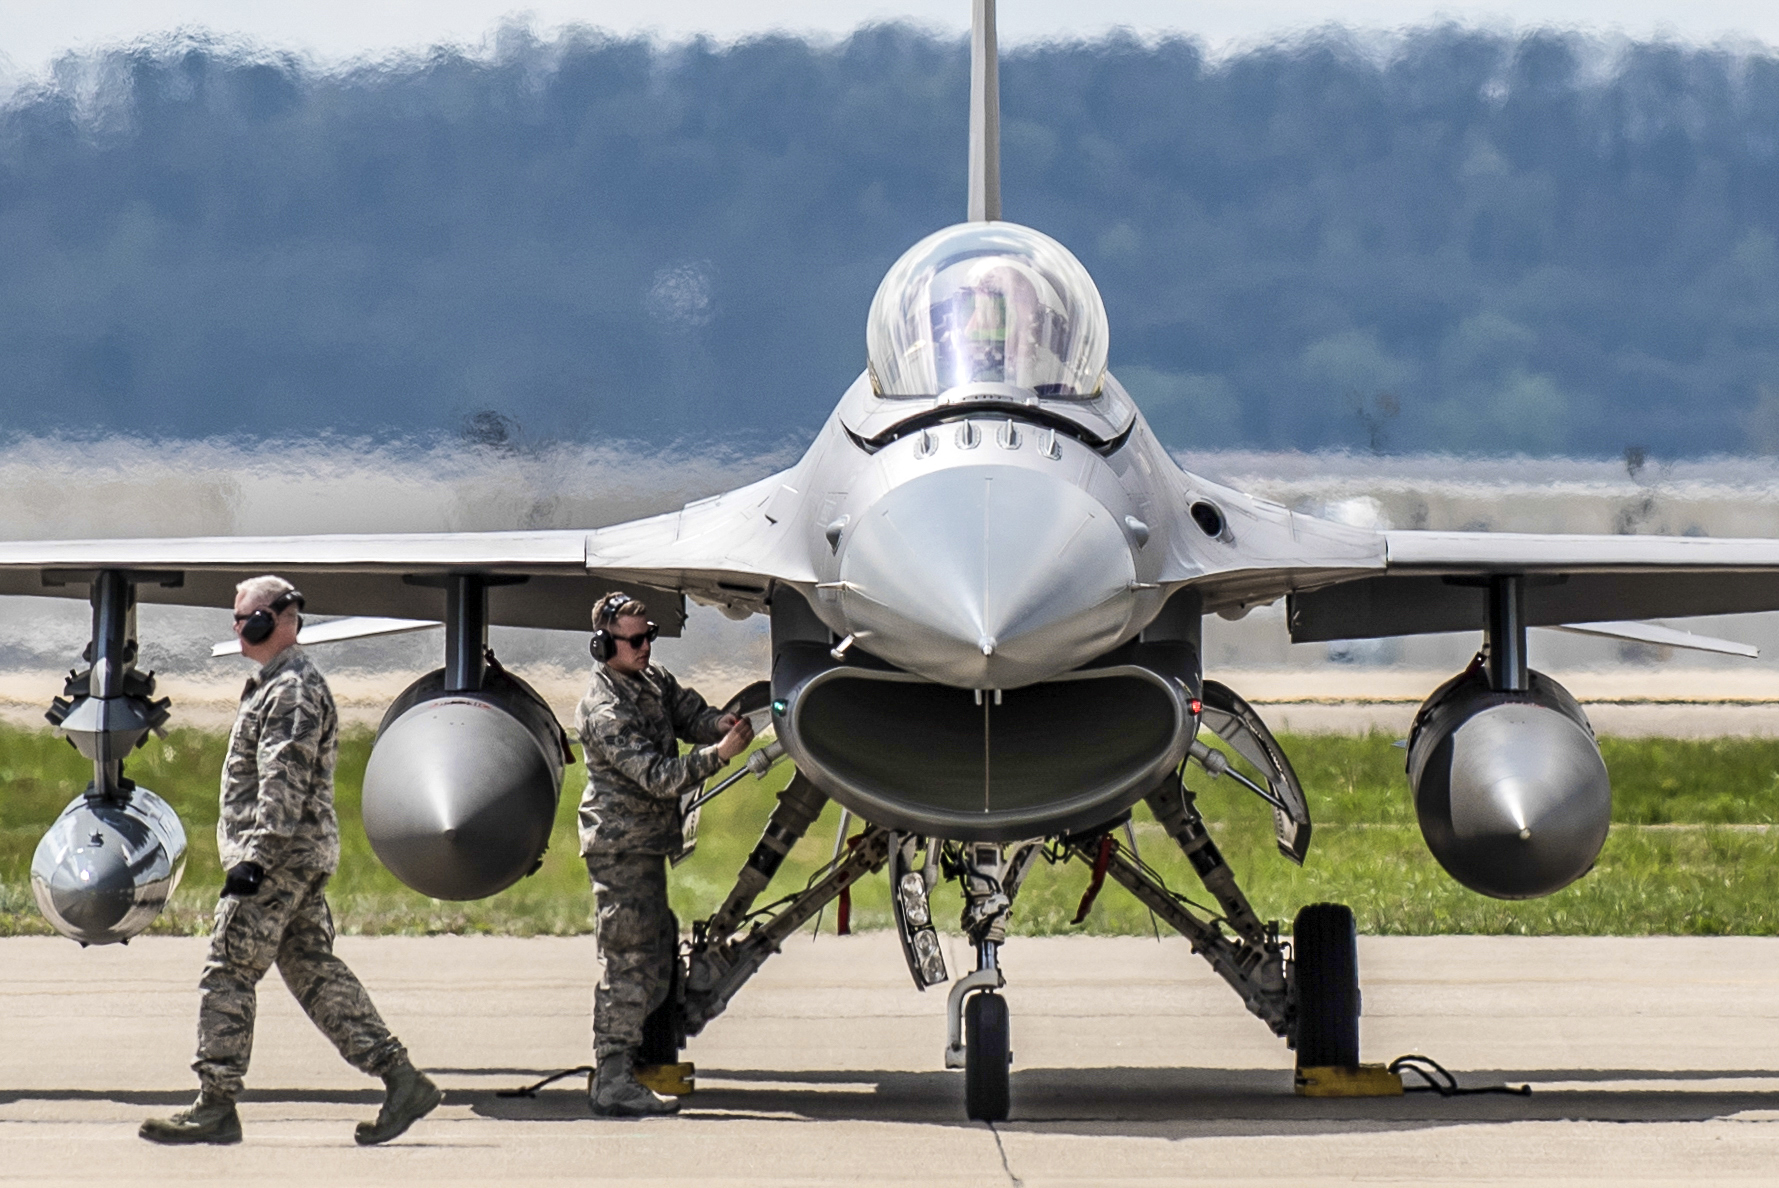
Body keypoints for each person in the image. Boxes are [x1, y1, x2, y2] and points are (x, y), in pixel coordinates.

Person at [140, 575, 441, 1146]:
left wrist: (255, 859)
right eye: (235, 617)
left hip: (278, 859)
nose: (237, 627)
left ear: (279, 618)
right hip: (288, 856)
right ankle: (402, 1079)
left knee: (228, 969)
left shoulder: (294, 689)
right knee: (312, 970)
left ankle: (216, 1103)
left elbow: (284, 780)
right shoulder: (274, 683)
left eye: (245, 616)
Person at [576, 591, 754, 1118]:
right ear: (605, 645)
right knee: (629, 960)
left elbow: (686, 711)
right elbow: (659, 777)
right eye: (633, 640)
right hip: (620, 849)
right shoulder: (605, 709)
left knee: (655, 952)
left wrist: (717, 724)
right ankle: (612, 1076)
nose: (645, 646)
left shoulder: (649, 681)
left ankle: (633, 1065)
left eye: (648, 634)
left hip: (645, 847)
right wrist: (719, 756)